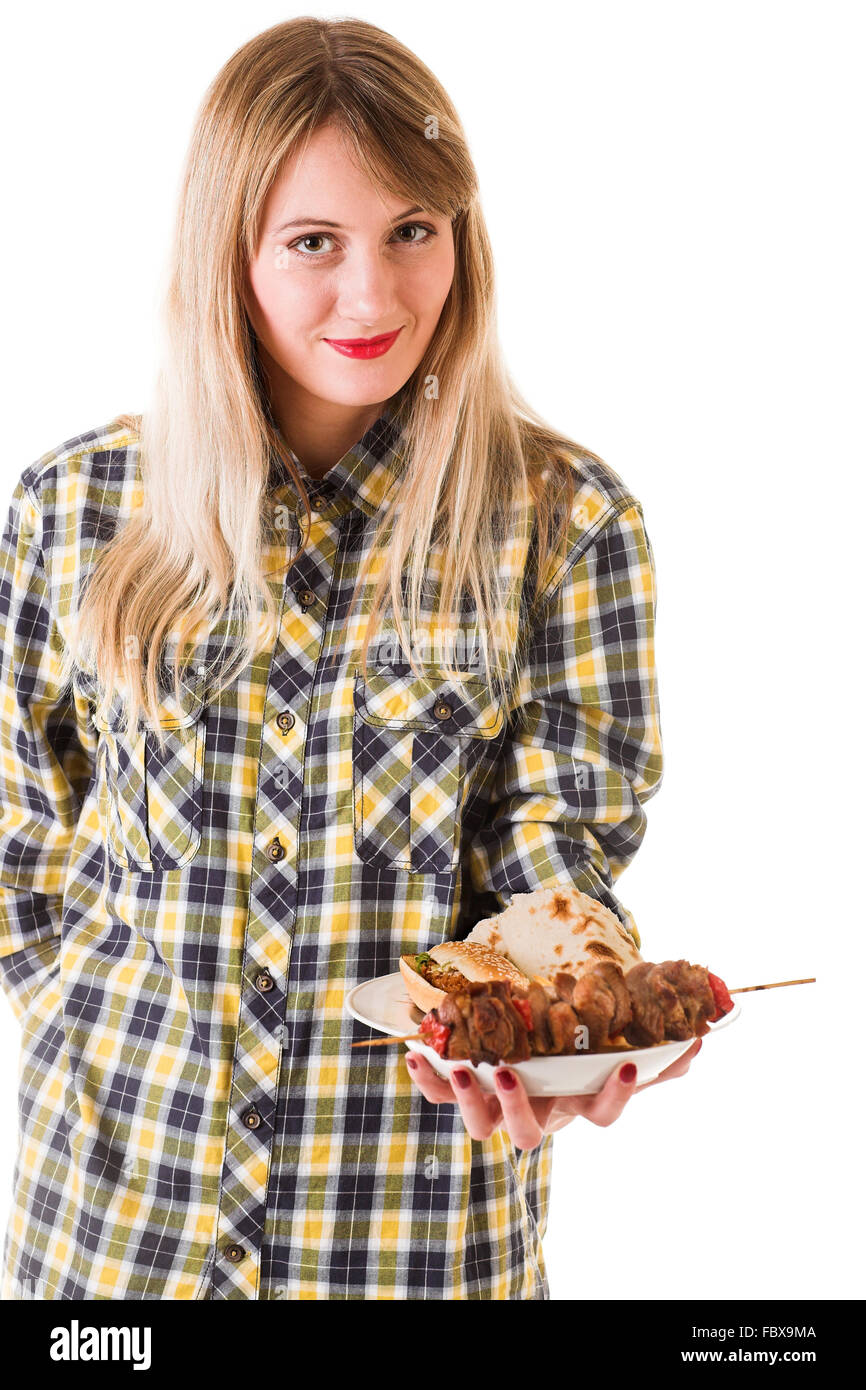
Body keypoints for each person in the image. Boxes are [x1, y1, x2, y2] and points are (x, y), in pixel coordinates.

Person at [0, 16, 699, 1302]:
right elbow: (18, 835)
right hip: (110, 1244)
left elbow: (556, 841)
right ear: (230, 251)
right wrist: (72, 1001)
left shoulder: (566, 522)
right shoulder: (74, 508)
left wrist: (562, 1010)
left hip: (415, 1243)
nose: (372, 297)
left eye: (411, 232)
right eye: (312, 242)